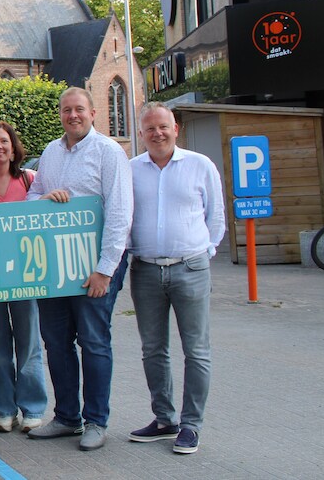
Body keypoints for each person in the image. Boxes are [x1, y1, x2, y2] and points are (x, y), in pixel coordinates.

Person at [25, 86, 133, 451]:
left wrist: (105, 270)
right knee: (56, 342)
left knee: (94, 341)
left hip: (96, 266)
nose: (73, 116)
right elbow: (31, 195)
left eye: (79, 110)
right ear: (60, 114)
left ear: (93, 112)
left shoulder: (109, 152)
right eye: (67, 110)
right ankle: (67, 417)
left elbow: (119, 212)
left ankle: (96, 421)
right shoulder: (51, 152)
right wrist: (43, 198)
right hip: (57, 265)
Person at [127, 102, 225, 455]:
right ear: (141, 134)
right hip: (147, 270)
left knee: (196, 351)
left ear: (176, 128)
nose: (158, 133)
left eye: (163, 126)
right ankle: (164, 418)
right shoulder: (132, 169)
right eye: (150, 128)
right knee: (154, 350)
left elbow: (216, 217)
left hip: (191, 268)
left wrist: (204, 253)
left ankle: (191, 425)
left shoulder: (200, 165)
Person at [0, 121, 48, 433]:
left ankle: (32, 408)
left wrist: (53, 199)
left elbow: (44, 214)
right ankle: (5, 409)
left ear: (13, 145)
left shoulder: (30, 180)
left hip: (25, 276)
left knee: (29, 345)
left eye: (4, 141)